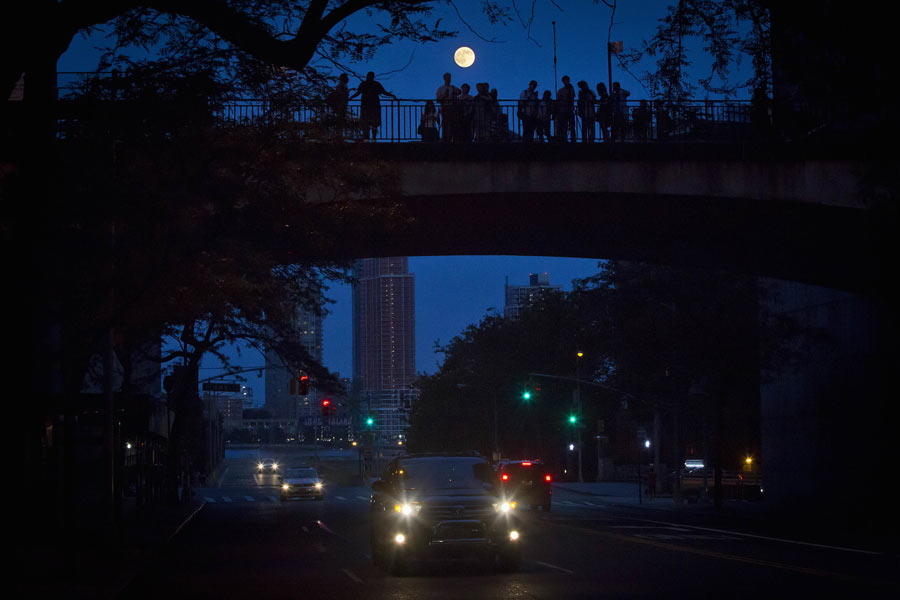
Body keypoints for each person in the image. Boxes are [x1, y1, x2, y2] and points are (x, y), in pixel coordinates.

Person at [349, 71, 396, 141]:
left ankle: (371, 138)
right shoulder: (370, 84)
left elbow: (383, 92)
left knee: (372, 123)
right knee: (368, 123)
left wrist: (351, 98)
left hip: (371, 106)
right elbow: (383, 92)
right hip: (370, 106)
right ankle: (368, 139)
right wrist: (351, 98)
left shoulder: (370, 84)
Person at [436, 72, 460, 142]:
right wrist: (444, 95)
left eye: (449, 78)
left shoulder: (452, 87)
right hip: (444, 107)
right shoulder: (440, 89)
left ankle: (451, 137)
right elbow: (438, 99)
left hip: (452, 107)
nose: (449, 79)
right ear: (444, 79)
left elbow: (459, 92)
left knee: (452, 123)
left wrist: (454, 92)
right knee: (445, 123)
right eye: (447, 78)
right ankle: (445, 138)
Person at [555, 75, 576, 142]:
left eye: (568, 80)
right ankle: (564, 139)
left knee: (572, 126)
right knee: (564, 126)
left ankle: (573, 139)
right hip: (563, 110)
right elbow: (558, 100)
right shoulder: (561, 91)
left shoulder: (571, 89)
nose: (567, 81)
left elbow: (572, 98)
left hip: (569, 110)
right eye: (566, 80)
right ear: (563, 81)